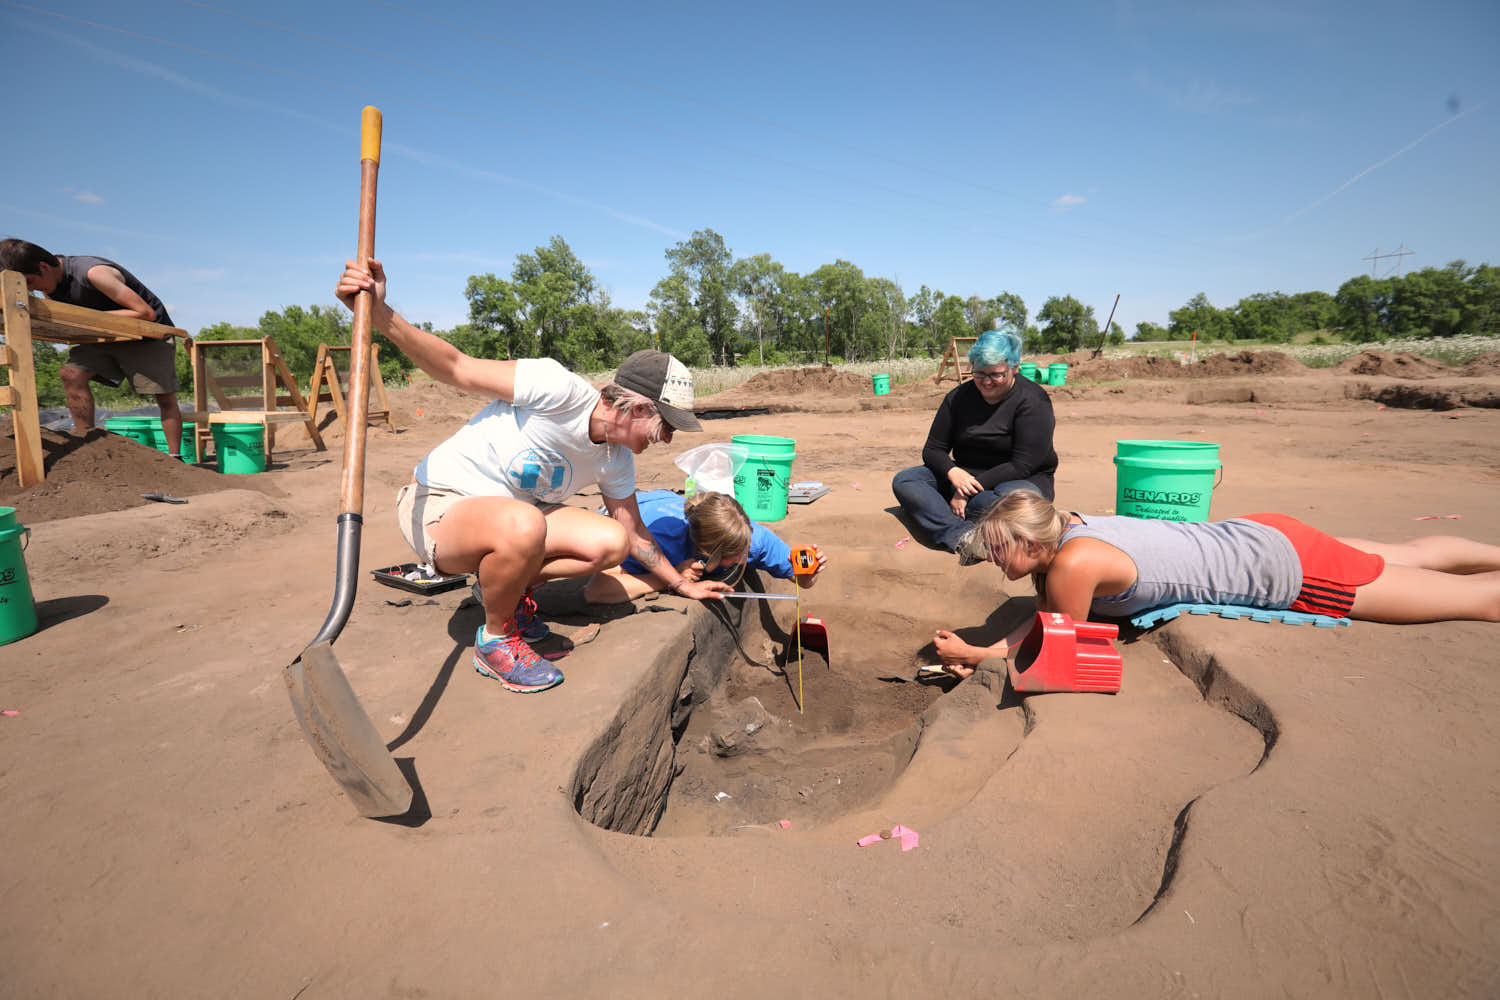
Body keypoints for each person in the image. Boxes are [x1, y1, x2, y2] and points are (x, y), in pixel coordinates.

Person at [335, 258, 733, 694]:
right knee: (525, 523)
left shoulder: (615, 459)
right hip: (441, 505)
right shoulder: (557, 389)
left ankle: (503, 591)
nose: (668, 439)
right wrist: (379, 314)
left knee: (610, 542)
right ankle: (495, 639)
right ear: (638, 409)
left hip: (515, 522)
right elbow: (457, 367)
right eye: (667, 426)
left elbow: (633, 532)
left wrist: (679, 582)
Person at [933, 490, 1500, 672]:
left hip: (1284, 572)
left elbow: (1053, 650)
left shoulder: (1074, 566)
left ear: (1034, 544)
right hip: (1260, 534)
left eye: (996, 549)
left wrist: (975, 654)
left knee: (1476, 601)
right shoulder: (1072, 527)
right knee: (1410, 556)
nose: (992, 560)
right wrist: (984, 645)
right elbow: (1051, 616)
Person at [0, 239, 184, 456]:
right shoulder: (50, 285)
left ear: (43, 267)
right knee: (71, 373)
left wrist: (86, 319)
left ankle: (175, 457)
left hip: (147, 334)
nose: (30, 290)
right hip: (102, 336)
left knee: (163, 397)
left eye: (29, 283)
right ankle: (88, 446)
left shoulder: (93, 273)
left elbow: (145, 313)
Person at [891, 327, 1057, 556]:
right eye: (979, 374)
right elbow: (933, 449)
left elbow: (1023, 465)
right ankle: (964, 537)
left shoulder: (1033, 400)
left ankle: (951, 512)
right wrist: (953, 472)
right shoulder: (958, 397)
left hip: (1019, 482)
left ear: (1014, 368)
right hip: (964, 478)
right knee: (906, 481)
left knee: (1006, 503)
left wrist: (965, 492)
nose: (986, 382)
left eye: (996, 374)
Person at [583, 489, 827, 603]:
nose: (745, 558)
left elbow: (801, 582)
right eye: (736, 555)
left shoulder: (753, 538)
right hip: (615, 516)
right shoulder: (659, 542)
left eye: (745, 549)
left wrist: (809, 573)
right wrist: (671, 578)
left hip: (660, 499)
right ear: (708, 553)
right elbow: (597, 590)